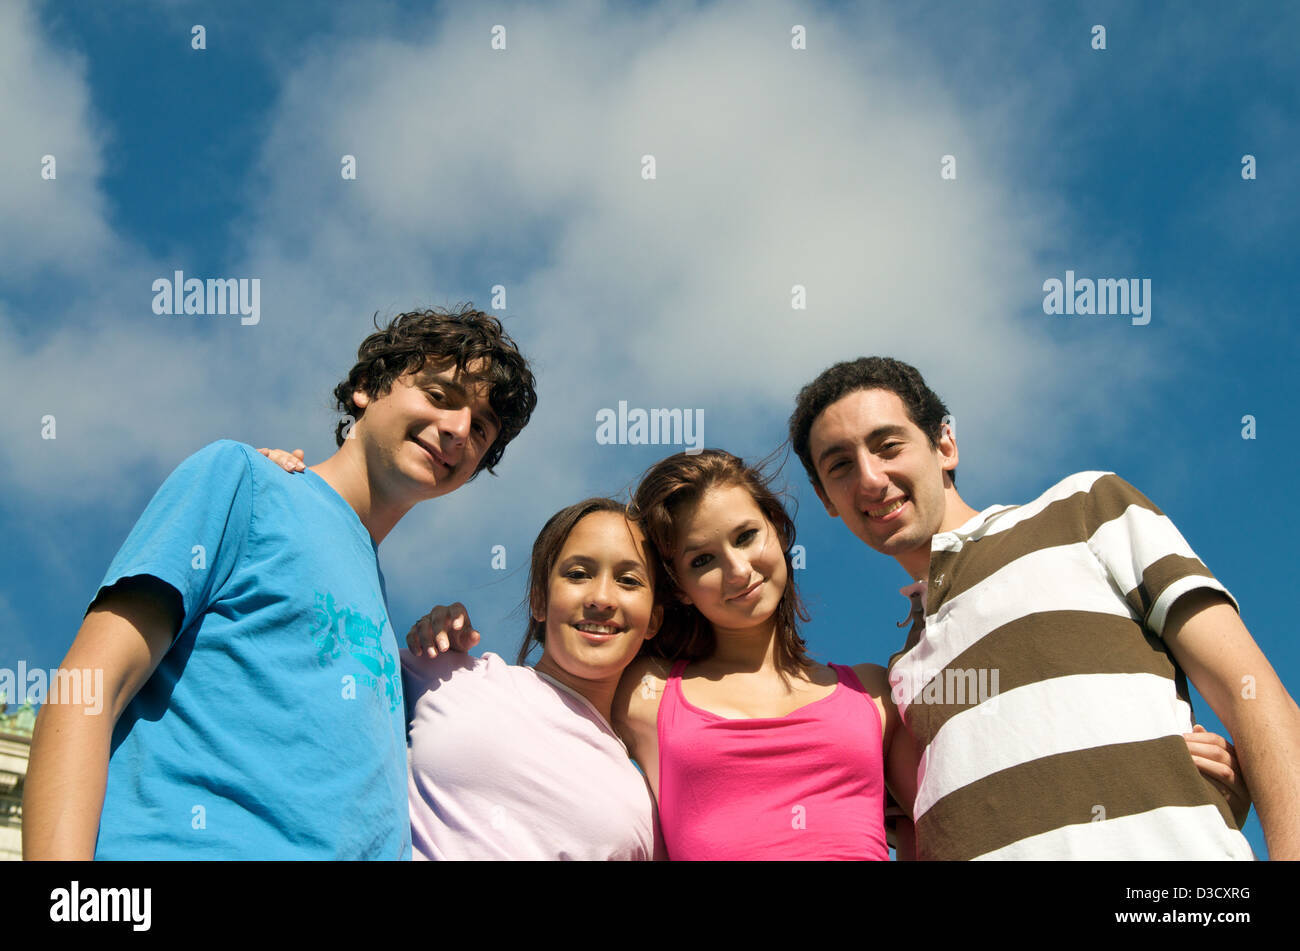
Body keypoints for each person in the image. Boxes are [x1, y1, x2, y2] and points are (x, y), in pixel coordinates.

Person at [22, 305, 537, 859]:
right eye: (440, 396)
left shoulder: (380, 610)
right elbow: (88, 687)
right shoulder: (243, 479)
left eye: (481, 428)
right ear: (367, 387)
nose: (458, 428)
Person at [788, 356, 1299, 859]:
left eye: (889, 446)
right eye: (841, 466)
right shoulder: (896, 683)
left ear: (945, 444)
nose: (871, 478)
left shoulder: (1084, 510)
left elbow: (1250, 691)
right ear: (826, 498)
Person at [613, 450, 898, 860]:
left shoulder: (872, 691)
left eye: (746, 536)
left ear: (778, 531)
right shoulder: (644, 692)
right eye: (702, 560)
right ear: (678, 588)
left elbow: (937, 824)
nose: (738, 570)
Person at [402, 498, 663, 860]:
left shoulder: (641, 810)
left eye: (628, 580)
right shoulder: (443, 672)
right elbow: (312, 658)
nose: (602, 598)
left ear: (654, 620)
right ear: (539, 602)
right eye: (578, 574)